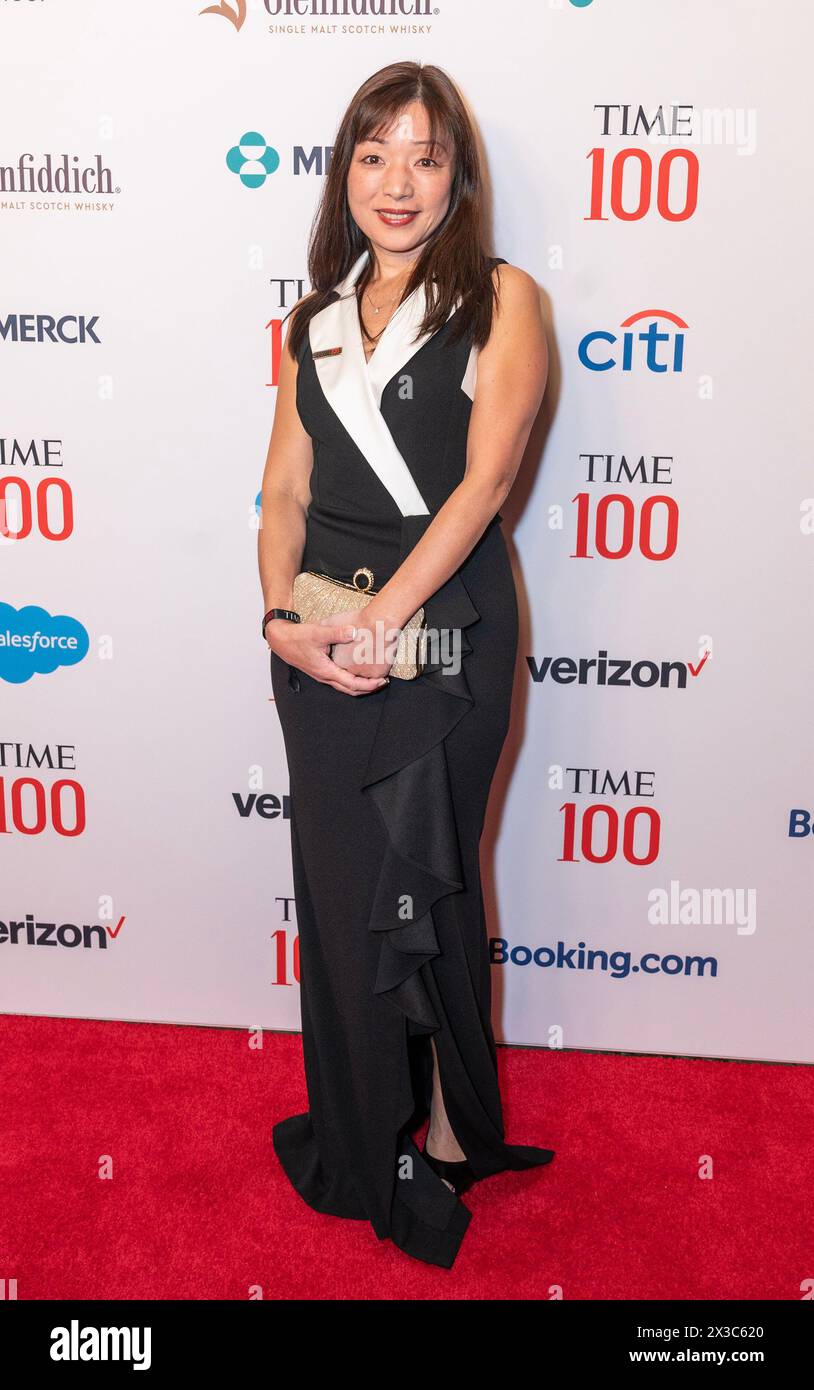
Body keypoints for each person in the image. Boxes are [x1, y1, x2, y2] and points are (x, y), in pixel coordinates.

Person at [257, 60, 552, 1270]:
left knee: (426, 887)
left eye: (424, 156)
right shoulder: (312, 323)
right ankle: (360, 1121)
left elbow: (485, 484)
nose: (396, 181)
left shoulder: (501, 298)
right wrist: (283, 619)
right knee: (340, 899)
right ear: (344, 173)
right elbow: (283, 489)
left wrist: (385, 621)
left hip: (446, 641)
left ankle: (436, 1128)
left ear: (456, 178)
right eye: (373, 153)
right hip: (319, 635)